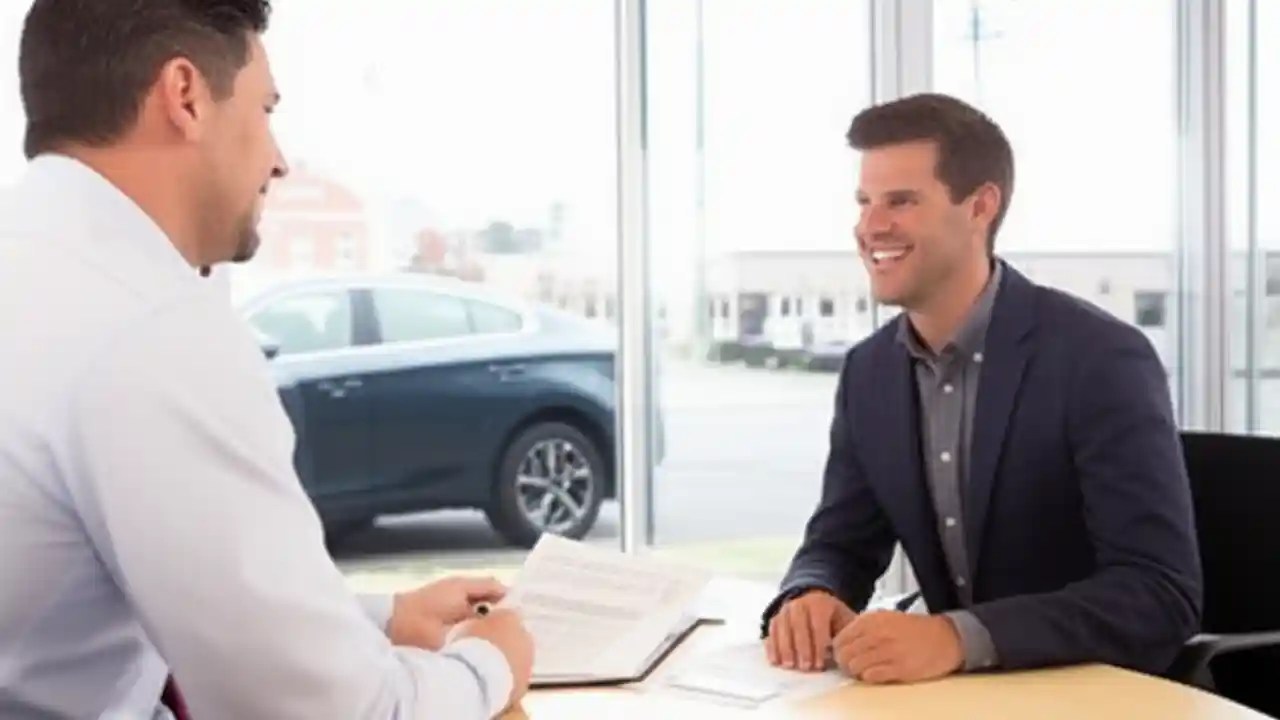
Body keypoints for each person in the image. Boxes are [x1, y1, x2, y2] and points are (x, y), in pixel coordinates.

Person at [0, 1, 533, 717]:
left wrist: (379, 619)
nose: (278, 159)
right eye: (265, 109)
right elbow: (328, 713)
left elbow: (128, 604)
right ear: (184, 95)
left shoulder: (36, 265)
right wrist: (490, 664)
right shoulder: (150, 329)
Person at [762, 93, 1202, 684]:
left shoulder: (1100, 357)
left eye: (901, 201)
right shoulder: (869, 371)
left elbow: (1157, 594)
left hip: (1092, 694)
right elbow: (840, 542)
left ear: (981, 206)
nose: (870, 227)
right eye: (865, 202)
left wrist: (957, 636)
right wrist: (811, 592)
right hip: (955, 698)